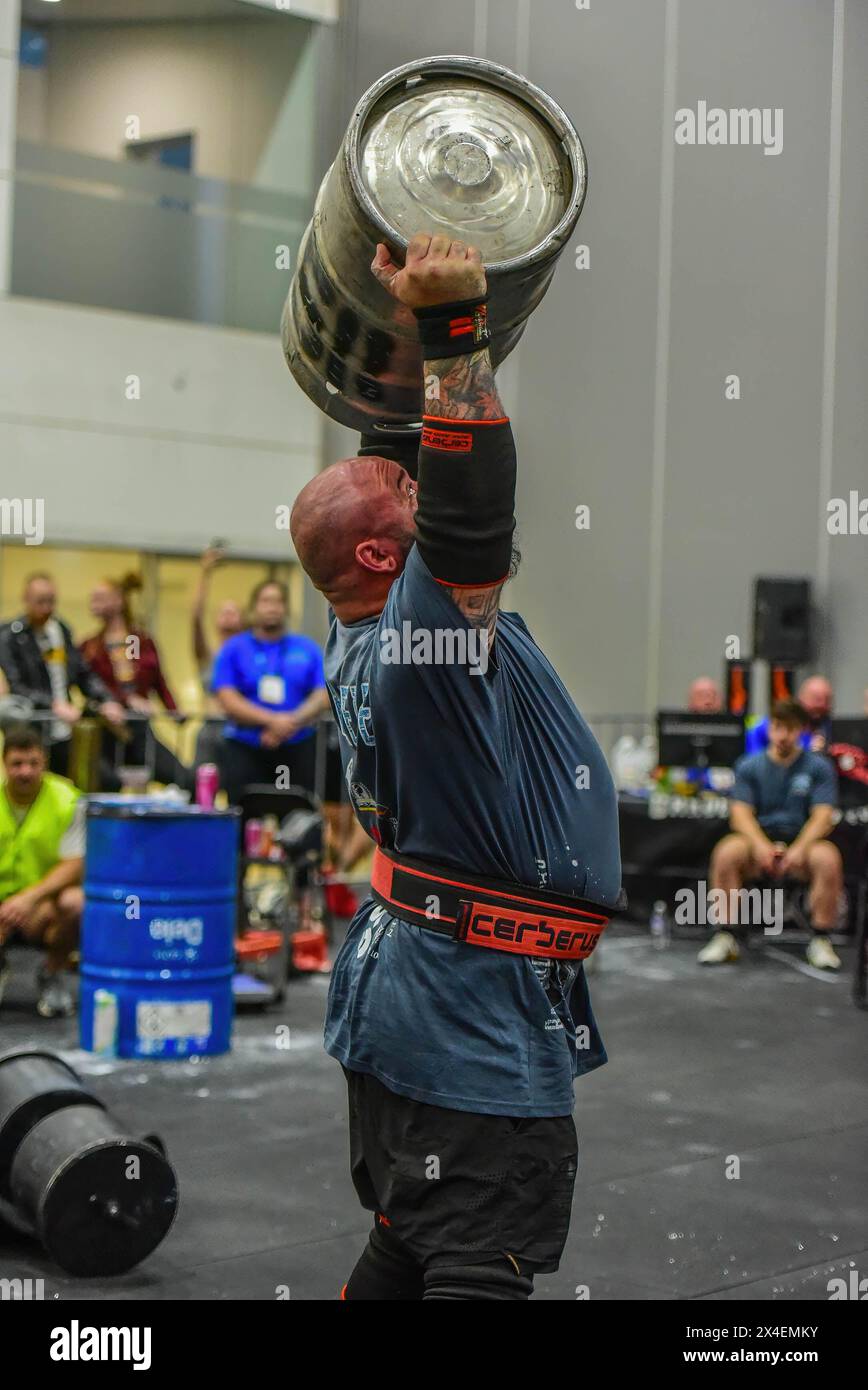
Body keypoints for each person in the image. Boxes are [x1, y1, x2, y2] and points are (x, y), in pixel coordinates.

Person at [289, 232, 622, 1301]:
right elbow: (472, 518)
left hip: (410, 1001)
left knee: (406, 1239)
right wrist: (454, 331)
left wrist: (399, 319)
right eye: (406, 487)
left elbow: (419, 466)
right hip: (465, 1026)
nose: (423, 477)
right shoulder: (420, 647)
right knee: (478, 1263)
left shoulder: (361, 625)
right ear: (390, 557)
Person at [698, 699, 842, 970]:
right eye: (777, 727)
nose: (782, 735)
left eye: (789, 728)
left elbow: (823, 816)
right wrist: (762, 846)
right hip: (758, 841)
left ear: (801, 730)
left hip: (802, 842)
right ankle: (725, 934)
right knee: (727, 852)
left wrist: (799, 848)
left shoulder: (819, 767)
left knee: (828, 858)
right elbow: (740, 814)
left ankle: (821, 939)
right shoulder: (749, 766)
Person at [213, 579, 330, 804]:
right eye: (266, 601)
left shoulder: (307, 648)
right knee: (243, 817)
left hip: (298, 745)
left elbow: (323, 694)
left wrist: (289, 723)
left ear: (286, 608)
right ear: (254, 607)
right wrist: (272, 721)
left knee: (298, 819)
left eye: (278, 601)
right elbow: (227, 698)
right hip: (245, 746)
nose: (272, 607)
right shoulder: (234, 649)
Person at [0, 573, 126, 777]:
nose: (46, 608)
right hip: (32, 732)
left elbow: (82, 673)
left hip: (65, 731)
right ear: (26, 599)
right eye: (40, 601)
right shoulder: (10, 636)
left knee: (101, 778)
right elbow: (17, 686)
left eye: (51, 601)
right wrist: (53, 705)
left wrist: (106, 700)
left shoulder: (60, 630)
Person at [0, 724, 85, 1017]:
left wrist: (29, 898)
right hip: (2, 903)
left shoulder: (68, 800)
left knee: (75, 902)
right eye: (17, 764)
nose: (25, 771)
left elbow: (75, 863)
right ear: (4, 764)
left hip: (41, 906)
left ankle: (53, 973)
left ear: (44, 763)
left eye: (33, 763)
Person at [80, 574, 189, 790]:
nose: (94, 604)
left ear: (119, 600)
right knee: (106, 785)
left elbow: (159, 680)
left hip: (139, 730)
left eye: (100, 598)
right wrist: (127, 700)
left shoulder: (140, 641)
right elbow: (88, 687)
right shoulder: (89, 647)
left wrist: (173, 711)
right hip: (108, 731)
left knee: (183, 777)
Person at [191, 546, 244, 769]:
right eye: (223, 611)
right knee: (202, 790)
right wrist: (204, 573)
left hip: (240, 730)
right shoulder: (209, 655)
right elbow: (195, 618)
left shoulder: (250, 657)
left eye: (233, 611)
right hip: (210, 730)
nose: (228, 615)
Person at [746, 675, 834, 755]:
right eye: (817, 699)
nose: (822, 705)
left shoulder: (827, 727)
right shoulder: (774, 723)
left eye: (827, 700)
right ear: (802, 697)